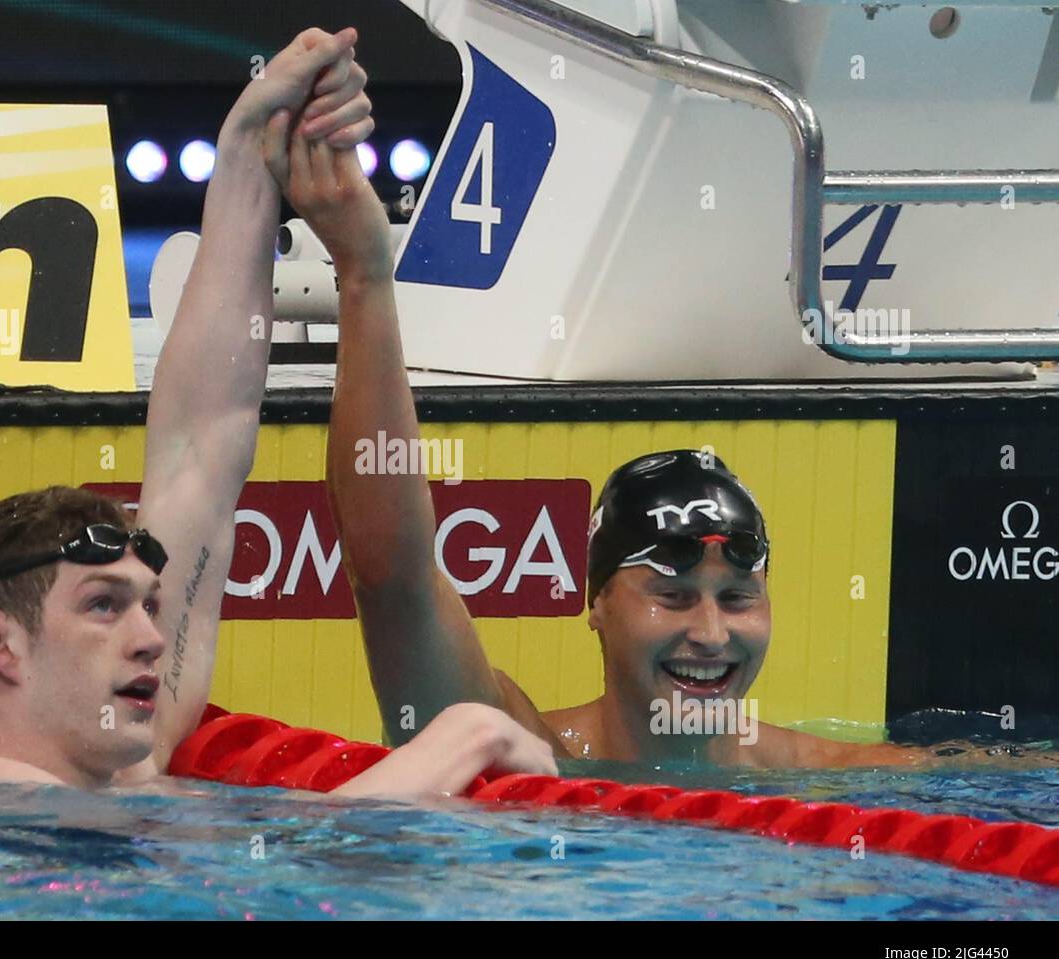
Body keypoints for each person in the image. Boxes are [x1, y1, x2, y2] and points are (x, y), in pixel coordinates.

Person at [0, 28, 556, 797]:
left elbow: (201, 448)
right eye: (104, 606)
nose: (153, 638)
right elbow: (298, 870)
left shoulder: (121, 766)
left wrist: (251, 154)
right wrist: (468, 733)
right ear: (2, 644)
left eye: (149, 604)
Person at [288, 119, 923, 769]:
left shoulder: (847, 779)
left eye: (737, 597)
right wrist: (363, 273)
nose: (711, 634)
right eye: (672, 595)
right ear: (597, 603)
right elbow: (393, 578)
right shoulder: (531, 751)